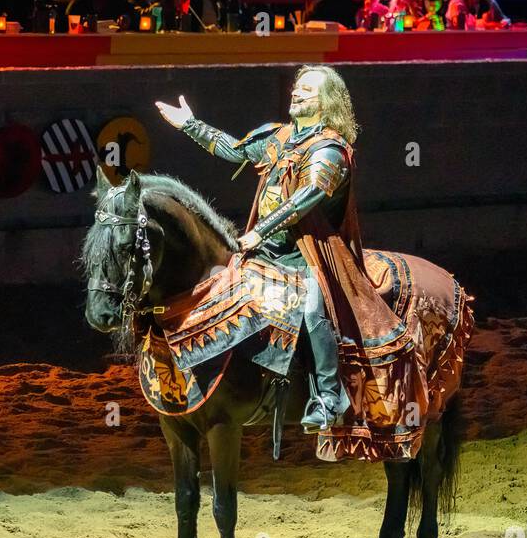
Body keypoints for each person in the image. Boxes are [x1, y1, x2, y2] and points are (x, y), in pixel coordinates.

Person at [156, 65, 382, 432]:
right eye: (296, 86)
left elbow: (307, 198)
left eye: (307, 89)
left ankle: (328, 396)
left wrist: (261, 231)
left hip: (309, 254)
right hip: (267, 253)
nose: (296, 92)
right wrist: (191, 125)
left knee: (312, 309)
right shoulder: (279, 137)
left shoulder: (331, 150)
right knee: (219, 287)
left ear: (325, 102)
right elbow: (234, 149)